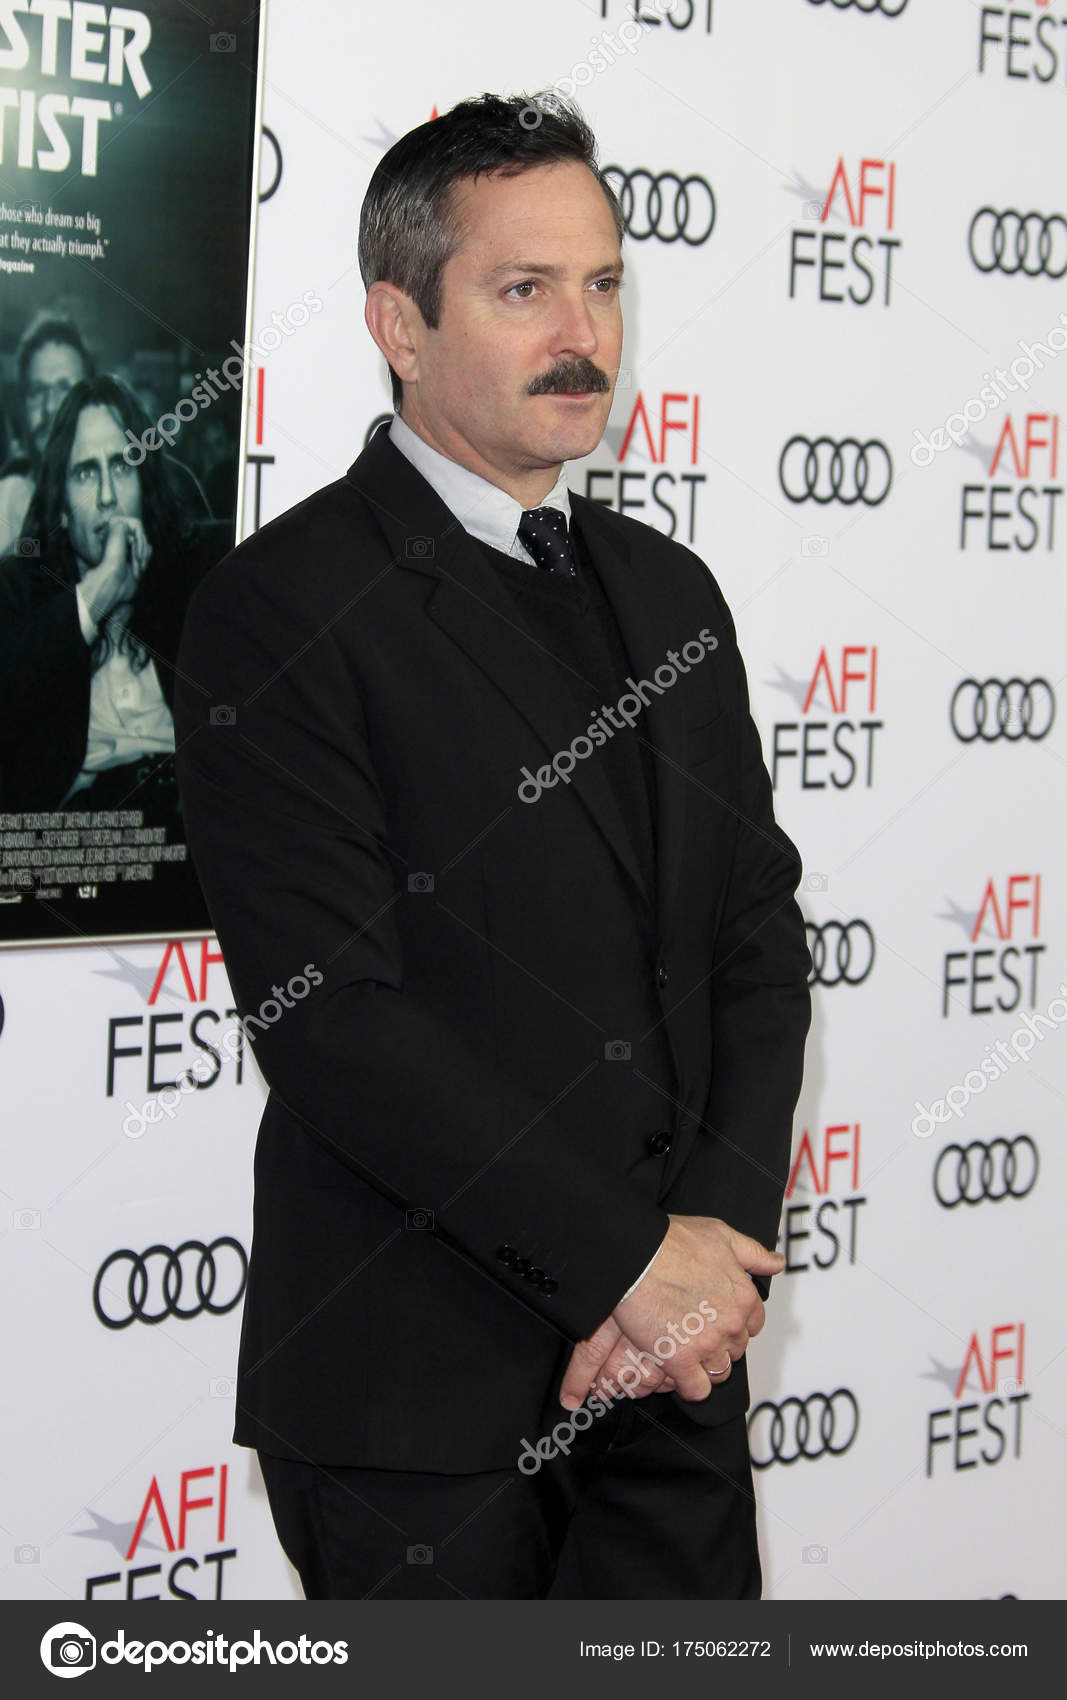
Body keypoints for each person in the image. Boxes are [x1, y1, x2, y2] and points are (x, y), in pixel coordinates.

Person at [172, 92, 812, 1601]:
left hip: (666, 1382)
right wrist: (621, 1266)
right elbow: (335, 1020)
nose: (579, 332)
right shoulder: (279, 608)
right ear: (399, 322)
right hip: (417, 1401)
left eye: (600, 285)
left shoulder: (671, 595)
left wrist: (705, 1256)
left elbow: (753, 942)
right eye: (522, 291)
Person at [0, 374, 217, 814]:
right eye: (85, 473)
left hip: (191, 837)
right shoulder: (19, 590)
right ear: (60, 500)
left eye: (121, 467)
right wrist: (93, 596)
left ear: (146, 483)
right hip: (84, 842)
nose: (106, 496)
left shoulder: (197, 575)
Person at [0, 313, 93, 557]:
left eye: (65, 388)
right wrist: (24, 549)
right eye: (37, 391)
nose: (50, 406)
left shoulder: (122, 486)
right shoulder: (7, 498)